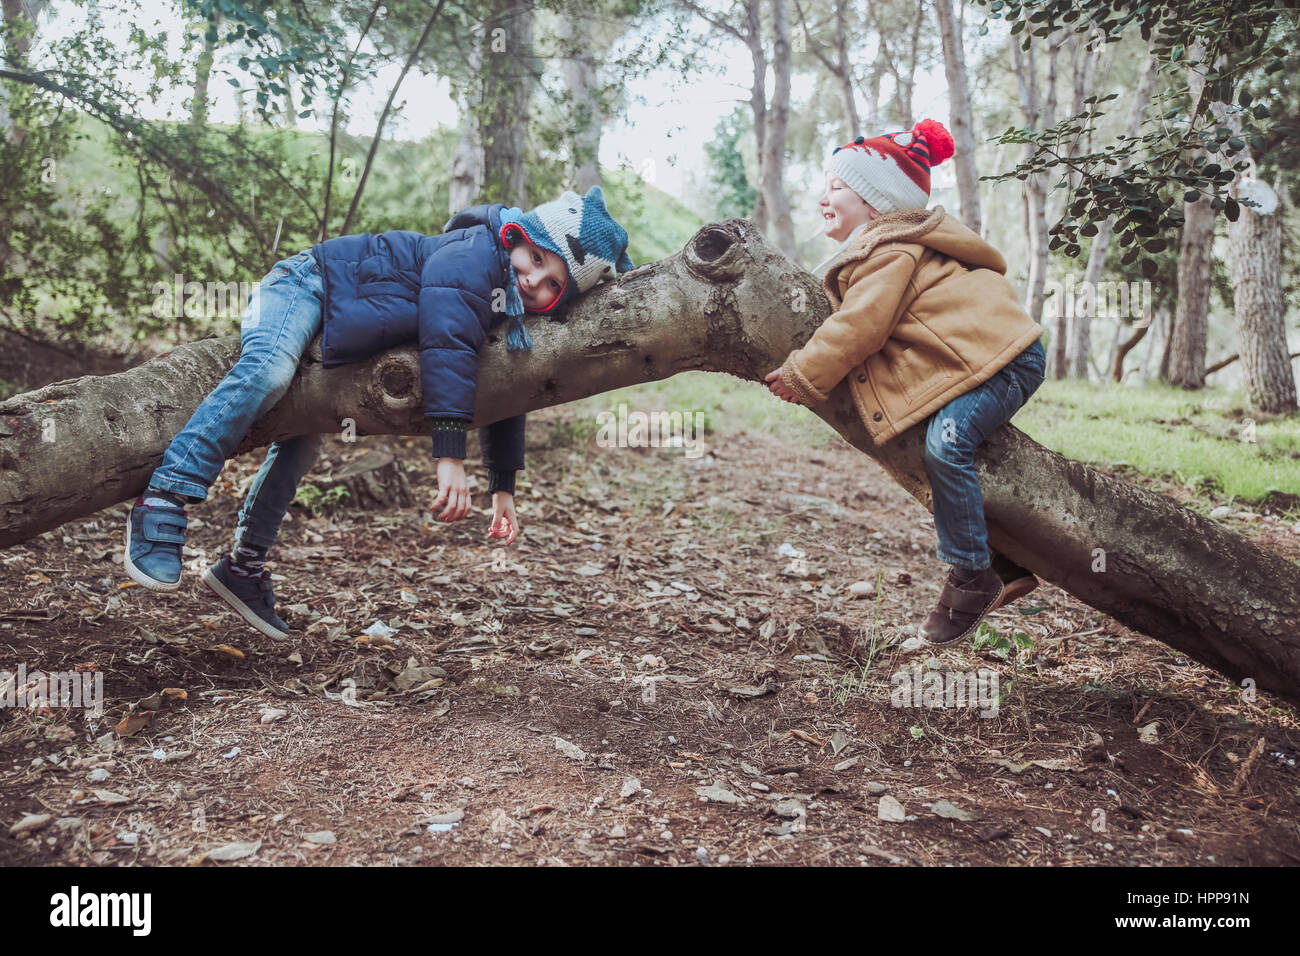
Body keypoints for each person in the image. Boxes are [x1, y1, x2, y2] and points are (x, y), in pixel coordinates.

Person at [124, 185, 633, 638]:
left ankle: (243, 565)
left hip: (336, 327)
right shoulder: (476, 251)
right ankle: (164, 500)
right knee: (268, 371)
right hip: (307, 283)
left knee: (302, 441)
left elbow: (505, 391)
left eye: (553, 285)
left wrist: (502, 486)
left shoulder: (509, 311)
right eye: (537, 260)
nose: (534, 282)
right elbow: (448, 337)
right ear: (518, 236)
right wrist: (449, 456)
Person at [766, 119, 1046, 645]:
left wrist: (806, 372)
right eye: (825, 185)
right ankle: (1004, 562)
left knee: (947, 444)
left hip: (1008, 362)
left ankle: (972, 575)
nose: (823, 196)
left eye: (837, 187)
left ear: (875, 206)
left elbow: (862, 326)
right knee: (935, 449)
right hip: (985, 363)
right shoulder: (886, 247)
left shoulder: (890, 248)